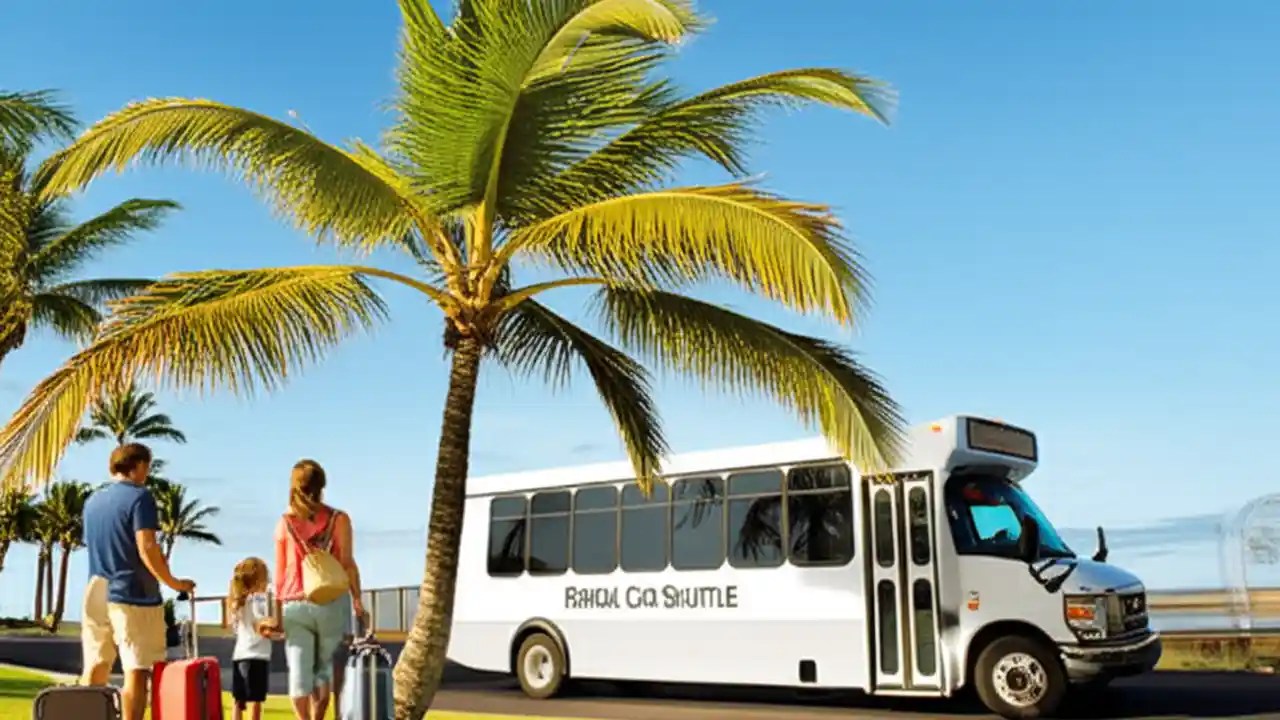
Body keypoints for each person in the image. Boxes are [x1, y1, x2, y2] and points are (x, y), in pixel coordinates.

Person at [80, 442, 195, 720]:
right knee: (138, 669)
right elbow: (147, 546)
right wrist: (174, 583)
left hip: (96, 593)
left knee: (97, 666)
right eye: (147, 466)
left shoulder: (92, 501)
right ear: (139, 465)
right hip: (133, 595)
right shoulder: (140, 497)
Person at [270, 459, 365, 720]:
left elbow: (279, 575)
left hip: (294, 605)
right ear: (322, 485)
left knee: (300, 674)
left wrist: (277, 615)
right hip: (331, 600)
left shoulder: (284, 524)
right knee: (325, 671)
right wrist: (357, 600)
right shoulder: (339, 519)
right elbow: (347, 564)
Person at [227, 557, 280, 720]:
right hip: (258, 656)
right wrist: (275, 626)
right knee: (256, 701)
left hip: (240, 655)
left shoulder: (237, 602)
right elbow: (261, 625)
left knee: (239, 700)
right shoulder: (258, 600)